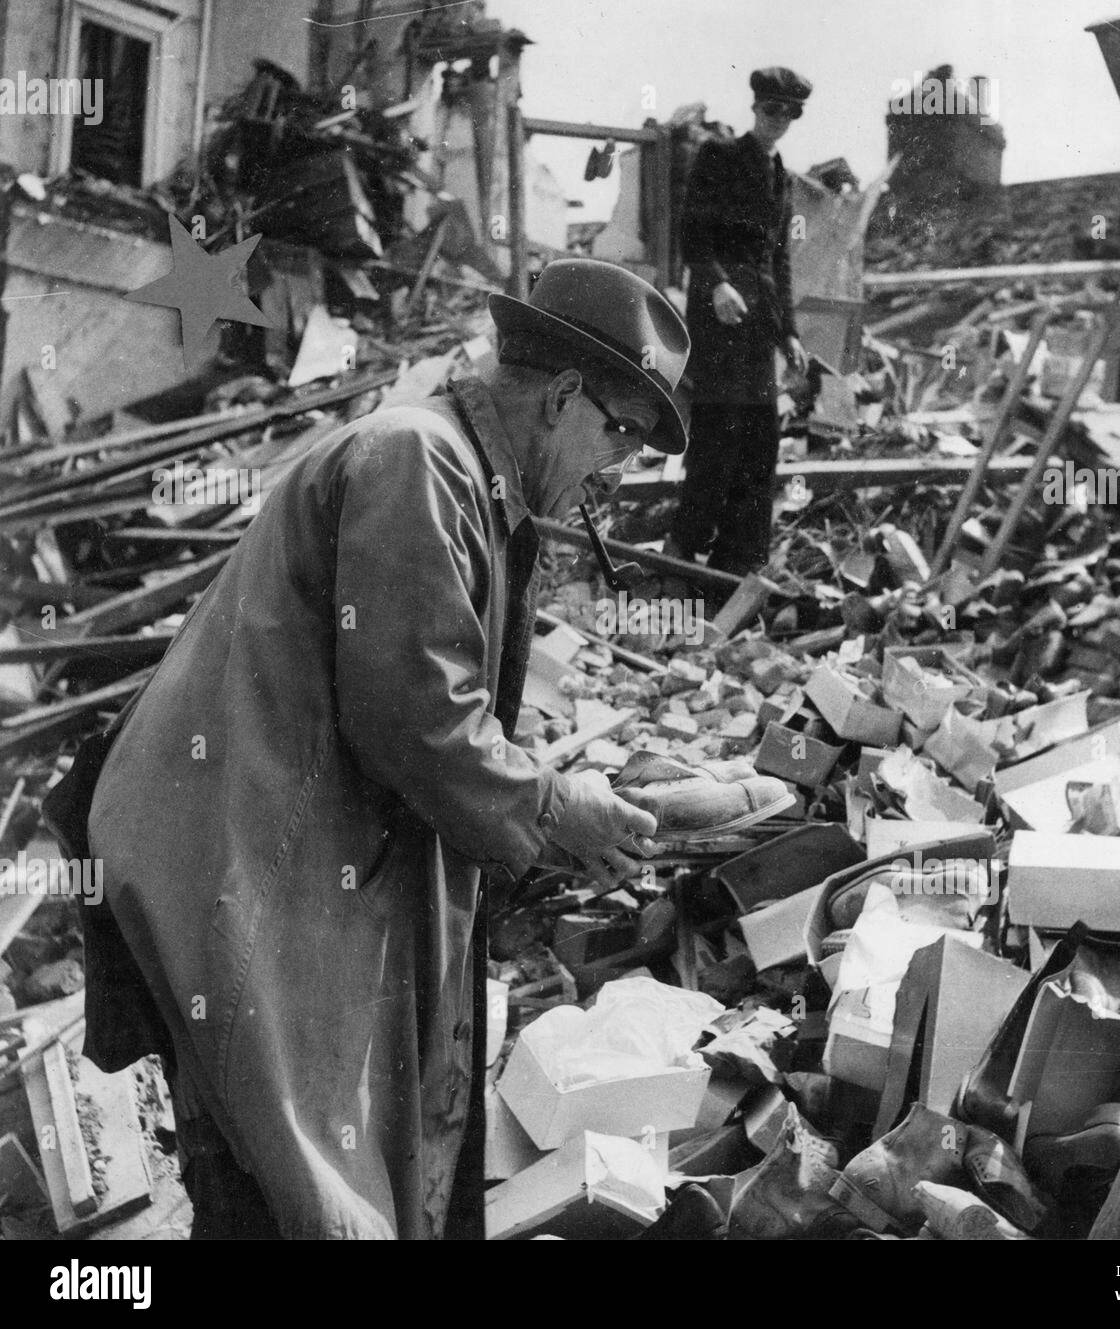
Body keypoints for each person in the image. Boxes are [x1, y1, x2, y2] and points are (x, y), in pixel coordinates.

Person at [46, 259, 691, 1239]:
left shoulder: (461, 471)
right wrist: (553, 806)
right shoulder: (416, 459)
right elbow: (416, 715)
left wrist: (544, 805)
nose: (622, 464)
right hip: (215, 865)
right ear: (563, 396)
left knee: (284, 1170)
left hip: (262, 853)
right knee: (255, 1183)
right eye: (625, 431)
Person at [665, 66, 812, 576]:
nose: (779, 120)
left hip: (759, 324)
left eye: (790, 113)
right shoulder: (720, 156)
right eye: (772, 110)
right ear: (755, 109)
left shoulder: (782, 177)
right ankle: (682, 553)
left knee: (759, 441)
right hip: (719, 316)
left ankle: (739, 564)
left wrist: (789, 332)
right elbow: (691, 234)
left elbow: (781, 262)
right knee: (717, 437)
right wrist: (717, 283)